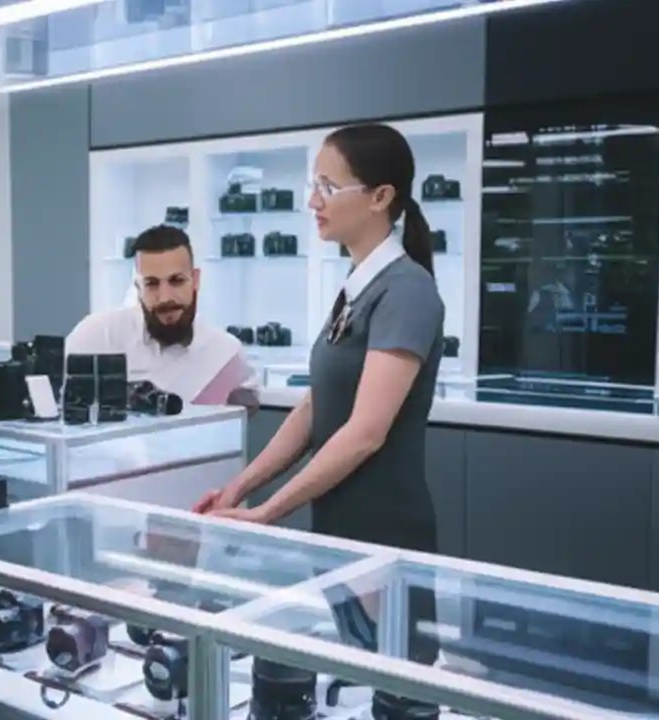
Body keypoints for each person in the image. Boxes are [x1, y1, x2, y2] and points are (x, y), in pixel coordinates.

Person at [192, 123, 444, 720]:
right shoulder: (355, 289)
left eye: (328, 186)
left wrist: (265, 515)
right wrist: (241, 487)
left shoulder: (407, 292)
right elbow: (316, 408)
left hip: (386, 538)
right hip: (339, 534)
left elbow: (363, 433)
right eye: (313, 185)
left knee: (400, 697)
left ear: (381, 197)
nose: (312, 201)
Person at [66, 225, 259, 407]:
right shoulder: (98, 336)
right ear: (138, 288)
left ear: (195, 280)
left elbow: (247, 395)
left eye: (176, 281)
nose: (165, 297)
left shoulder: (224, 352)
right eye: (151, 284)